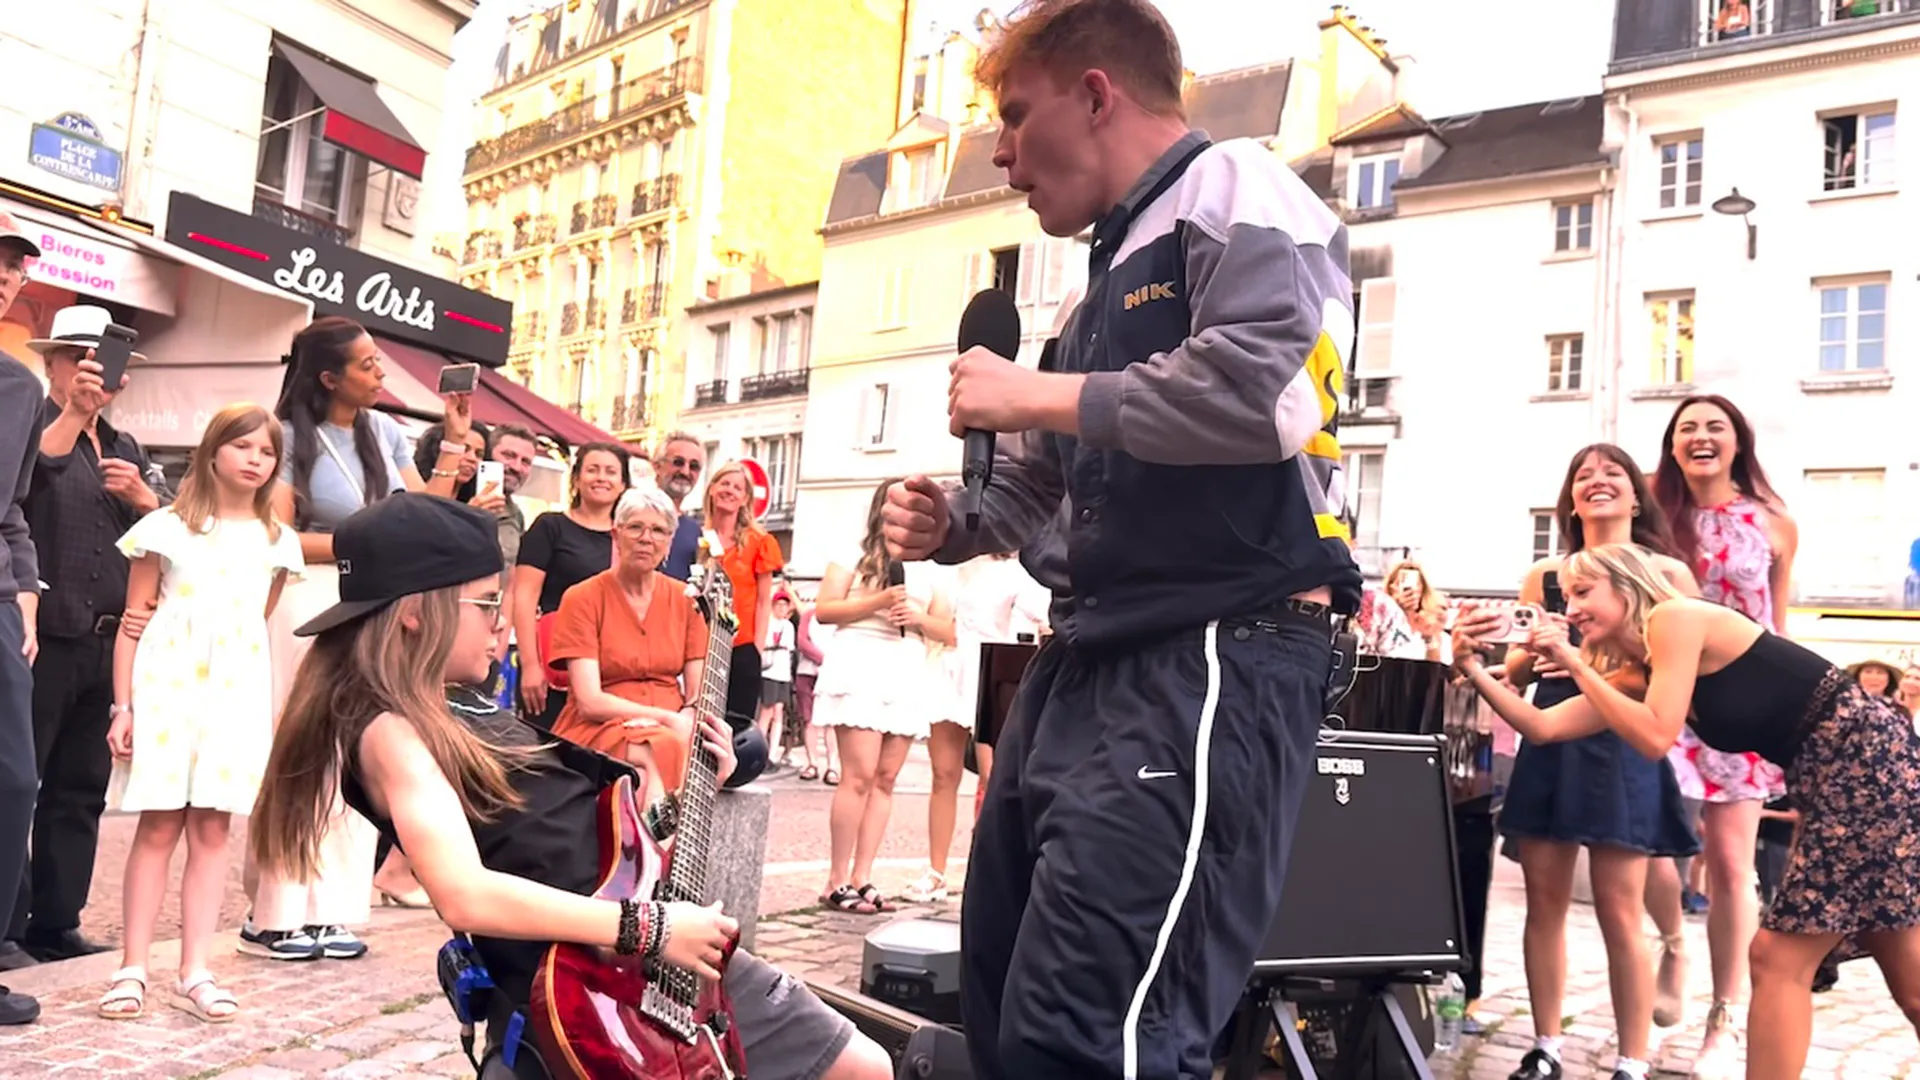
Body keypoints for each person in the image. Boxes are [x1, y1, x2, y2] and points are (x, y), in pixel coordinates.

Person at [880, 2, 1359, 1073]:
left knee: (1100, 1040)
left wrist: (1039, 398)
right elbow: (1036, 496)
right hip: (1088, 661)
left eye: (1013, 114)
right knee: (1009, 1019)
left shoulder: (1240, 186)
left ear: (1096, 93)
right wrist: (951, 520)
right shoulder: (1093, 289)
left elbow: (1268, 396)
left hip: (1210, 650)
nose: (1000, 154)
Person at [247, 493, 894, 1080]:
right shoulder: (388, 728)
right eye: (486, 604)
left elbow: (556, 833)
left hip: (628, 948)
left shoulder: (457, 704)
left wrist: (683, 796)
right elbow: (464, 894)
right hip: (599, 967)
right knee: (862, 1067)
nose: (504, 624)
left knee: (862, 1065)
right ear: (417, 613)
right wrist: (649, 926)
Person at [1452, 542, 1920, 1080]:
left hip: (1864, 762)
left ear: (1628, 586)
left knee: (1775, 957)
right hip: (1840, 774)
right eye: (1566, 595)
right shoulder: (1642, 669)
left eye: (1585, 592)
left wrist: (1577, 664)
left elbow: (1654, 736)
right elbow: (1545, 727)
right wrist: (1472, 665)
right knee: (1904, 967)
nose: (1572, 608)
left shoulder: (1675, 618)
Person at [1466, 444, 1700, 1080]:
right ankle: (1545, 1047)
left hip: (1624, 731)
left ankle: (1632, 1059)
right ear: (1571, 499)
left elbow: (1680, 667)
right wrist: (1510, 656)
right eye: (1585, 476)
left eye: (1613, 475)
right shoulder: (1545, 575)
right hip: (1553, 729)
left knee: (1618, 905)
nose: (1598, 483)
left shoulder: (1668, 574)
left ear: (1635, 496)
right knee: (1544, 901)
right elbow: (1517, 665)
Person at [254, 315, 471, 962]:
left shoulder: (385, 432)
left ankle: (333, 912)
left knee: (358, 759)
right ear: (329, 377)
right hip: (307, 598)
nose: (381, 373)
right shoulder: (287, 437)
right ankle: (273, 916)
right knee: (302, 759)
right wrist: (362, 544)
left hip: (370, 605)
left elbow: (422, 515)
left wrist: (454, 441)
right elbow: (280, 536)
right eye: (368, 365)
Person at [96, 404, 303, 1022]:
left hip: (232, 699)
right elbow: (133, 624)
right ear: (211, 451)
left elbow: (253, 625)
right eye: (242, 447)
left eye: (265, 452)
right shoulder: (163, 528)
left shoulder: (278, 542)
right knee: (157, 826)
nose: (254, 460)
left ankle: (196, 971)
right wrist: (123, 706)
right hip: (166, 692)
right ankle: (131, 967)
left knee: (213, 832)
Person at [5, 305, 168, 969]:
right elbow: (30, 480)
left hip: (107, 643)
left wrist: (144, 502)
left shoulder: (128, 449)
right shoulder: (32, 420)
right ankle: (7, 931)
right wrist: (73, 412)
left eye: (104, 360)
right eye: (78, 357)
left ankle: (56, 922)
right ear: (53, 363)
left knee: (80, 790)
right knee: (19, 783)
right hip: (42, 633)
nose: (93, 371)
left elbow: (175, 530)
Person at [1653, 393, 1797, 1077]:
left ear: (1738, 441)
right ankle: (1673, 944)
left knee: (1734, 867)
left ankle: (1723, 1021)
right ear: (1674, 446)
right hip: (1665, 696)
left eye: (1716, 427)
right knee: (1654, 849)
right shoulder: (1655, 514)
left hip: (1743, 706)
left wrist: (1788, 713)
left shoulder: (1773, 523)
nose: (1702, 437)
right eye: (1688, 429)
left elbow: (1778, 621)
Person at [815, 480, 954, 914]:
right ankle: (836, 880)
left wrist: (917, 617)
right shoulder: (852, 554)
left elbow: (949, 631)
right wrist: (876, 601)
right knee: (857, 776)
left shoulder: (933, 566)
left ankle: (863, 876)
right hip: (860, 661)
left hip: (906, 668)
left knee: (885, 779)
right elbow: (823, 610)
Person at [545, 485, 703, 779]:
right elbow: (590, 702)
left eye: (658, 530)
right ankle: (652, 827)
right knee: (659, 750)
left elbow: (697, 695)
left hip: (673, 728)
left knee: (712, 753)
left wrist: (685, 721)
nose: (646, 538)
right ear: (616, 536)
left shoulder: (689, 600)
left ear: (669, 542)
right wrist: (665, 719)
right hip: (599, 726)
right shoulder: (582, 597)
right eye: (635, 527)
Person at [0, 211, 46, 1024]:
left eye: (15, 266)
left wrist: (23, 593)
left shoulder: (19, 387)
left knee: (13, 780)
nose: (7, 275)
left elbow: (12, 508)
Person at [510, 442, 631, 730]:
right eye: (593, 470)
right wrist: (530, 666)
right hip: (554, 667)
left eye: (610, 472)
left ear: (623, 483)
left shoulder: (628, 537)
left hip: (608, 671)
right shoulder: (550, 527)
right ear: (576, 478)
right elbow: (524, 597)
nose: (601, 478)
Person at [703, 461, 784, 731]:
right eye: (724, 483)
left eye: (737, 487)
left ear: (746, 498)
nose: (729, 490)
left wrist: (756, 650)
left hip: (741, 647)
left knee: (734, 731)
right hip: (699, 648)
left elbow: (764, 601)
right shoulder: (697, 537)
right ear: (712, 488)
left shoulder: (759, 541)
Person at [653, 432, 706, 582]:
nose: (685, 471)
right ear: (657, 466)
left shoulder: (694, 531)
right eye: (678, 462)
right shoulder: (634, 514)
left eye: (694, 466)